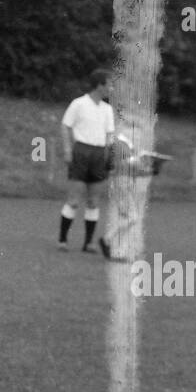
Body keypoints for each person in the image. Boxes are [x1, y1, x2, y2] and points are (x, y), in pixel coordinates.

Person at [57, 68, 115, 256]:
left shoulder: (107, 109)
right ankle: (63, 239)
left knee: (93, 201)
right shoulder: (79, 104)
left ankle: (88, 243)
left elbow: (109, 135)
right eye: (109, 84)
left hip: (99, 155)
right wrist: (67, 150)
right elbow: (66, 126)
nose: (111, 88)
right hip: (81, 152)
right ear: (99, 85)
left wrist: (110, 157)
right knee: (74, 199)